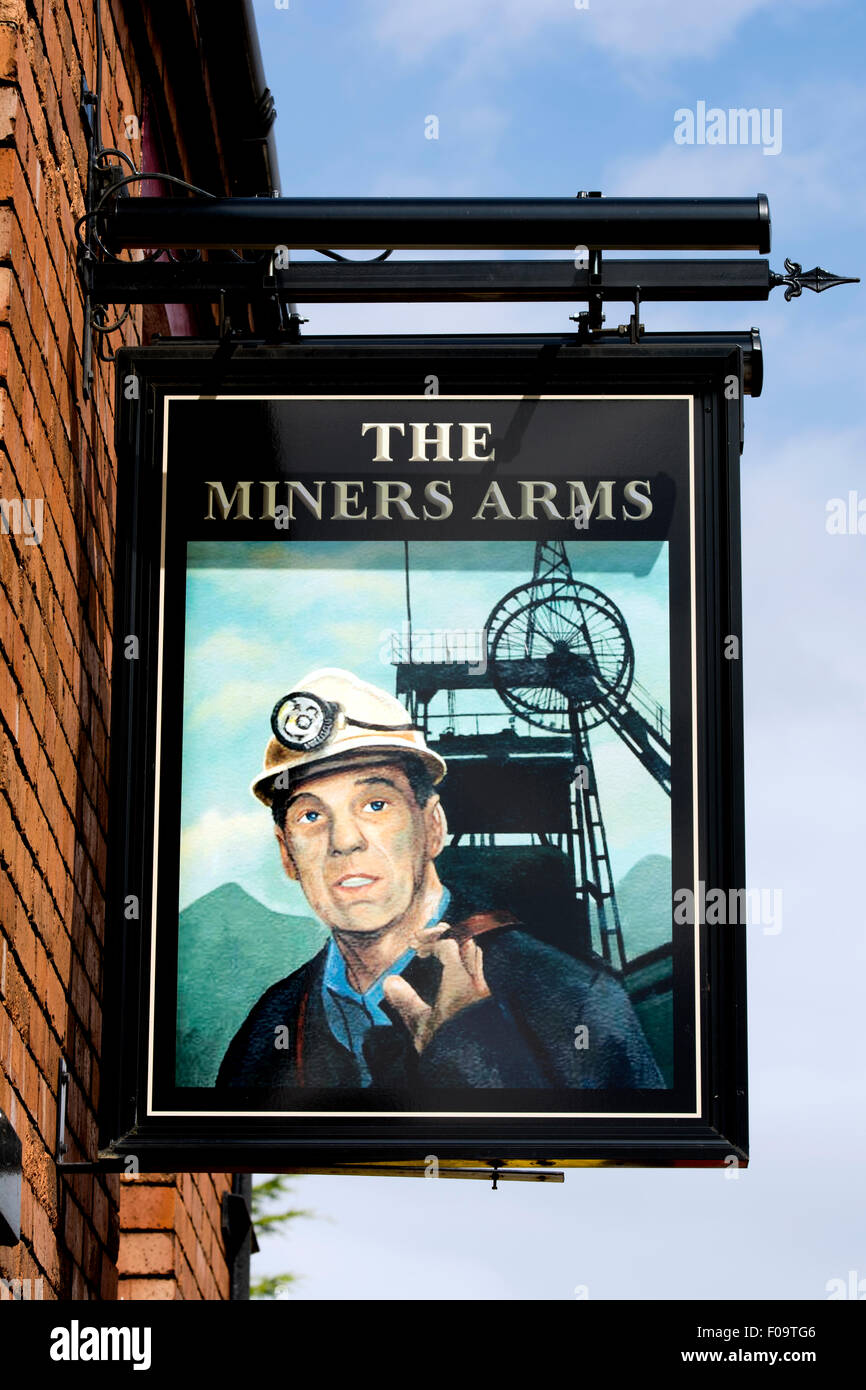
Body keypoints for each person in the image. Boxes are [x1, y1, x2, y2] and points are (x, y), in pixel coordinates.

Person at [217, 668, 664, 1092]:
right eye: (312, 816)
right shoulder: (267, 1032)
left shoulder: (575, 1001)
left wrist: (471, 1053)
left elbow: (637, 1163)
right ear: (287, 853)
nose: (344, 841)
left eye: (376, 804)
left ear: (432, 827)